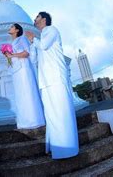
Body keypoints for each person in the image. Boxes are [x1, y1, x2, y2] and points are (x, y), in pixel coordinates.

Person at [25, 12, 79, 159]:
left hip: (56, 78)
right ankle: (56, 148)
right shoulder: (41, 37)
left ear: (44, 19)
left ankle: (68, 149)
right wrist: (31, 44)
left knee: (61, 112)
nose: (34, 19)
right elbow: (34, 59)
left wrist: (33, 39)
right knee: (51, 115)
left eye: (37, 17)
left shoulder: (52, 30)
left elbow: (43, 46)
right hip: (45, 80)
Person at [4, 23, 45, 129]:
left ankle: (34, 120)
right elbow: (12, 59)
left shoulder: (22, 39)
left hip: (24, 70)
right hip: (16, 71)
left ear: (17, 30)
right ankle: (24, 122)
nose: (10, 28)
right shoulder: (12, 43)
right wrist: (8, 57)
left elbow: (26, 53)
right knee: (20, 95)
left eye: (12, 27)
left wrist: (12, 55)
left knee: (28, 92)